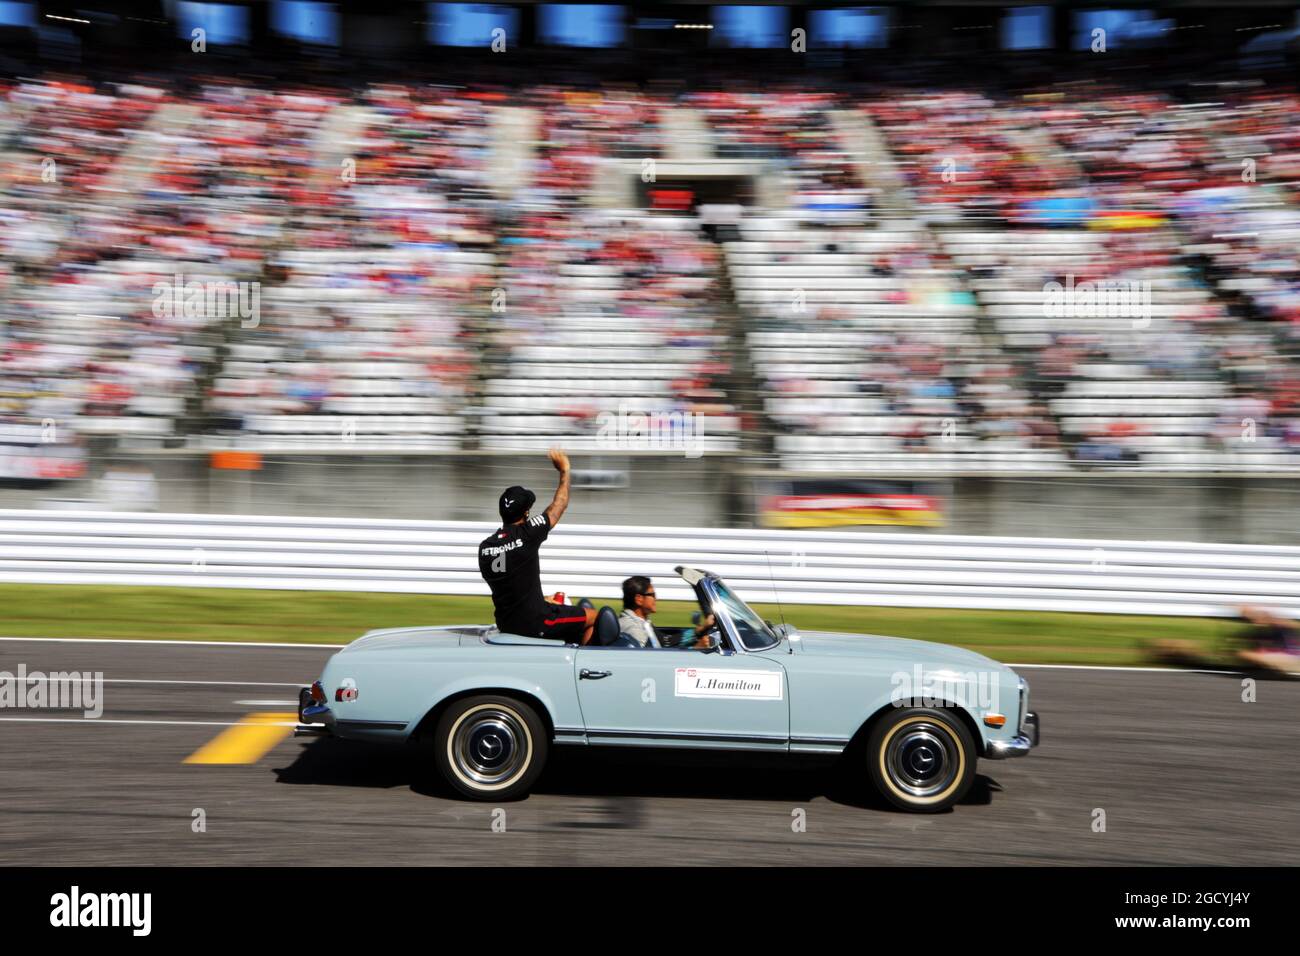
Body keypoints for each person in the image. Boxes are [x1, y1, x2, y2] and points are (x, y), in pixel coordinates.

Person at [477, 448, 598, 644]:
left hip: (507, 623)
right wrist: (565, 471)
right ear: (525, 514)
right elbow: (559, 505)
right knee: (597, 617)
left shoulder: (485, 548)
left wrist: (541, 600)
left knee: (565, 608)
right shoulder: (527, 534)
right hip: (536, 622)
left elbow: (512, 586)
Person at [617, 575, 715, 649]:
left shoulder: (643, 622)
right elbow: (653, 661)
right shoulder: (632, 628)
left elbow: (665, 641)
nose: (656, 599)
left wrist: (701, 629)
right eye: (652, 595)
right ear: (639, 599)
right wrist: (696, 649)